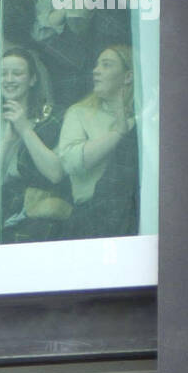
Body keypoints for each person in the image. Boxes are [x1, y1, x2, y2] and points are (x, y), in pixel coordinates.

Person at [0, 47, 70, 243]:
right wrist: (6, 142)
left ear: (32, 79)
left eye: (17, 73)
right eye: (3, 74)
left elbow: (55, 174)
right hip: (2, 214)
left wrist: (24, 129)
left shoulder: (56, 117)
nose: (9, 79)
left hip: (44, 214)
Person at [57, 45, 139, 239]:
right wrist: (118, 133)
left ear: (128, 76)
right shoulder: (80, 112)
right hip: (93, 217)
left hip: (134, 212)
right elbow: (70, 162)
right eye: (96, 65)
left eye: (106, 65)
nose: (96, 70)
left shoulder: (142, 117)